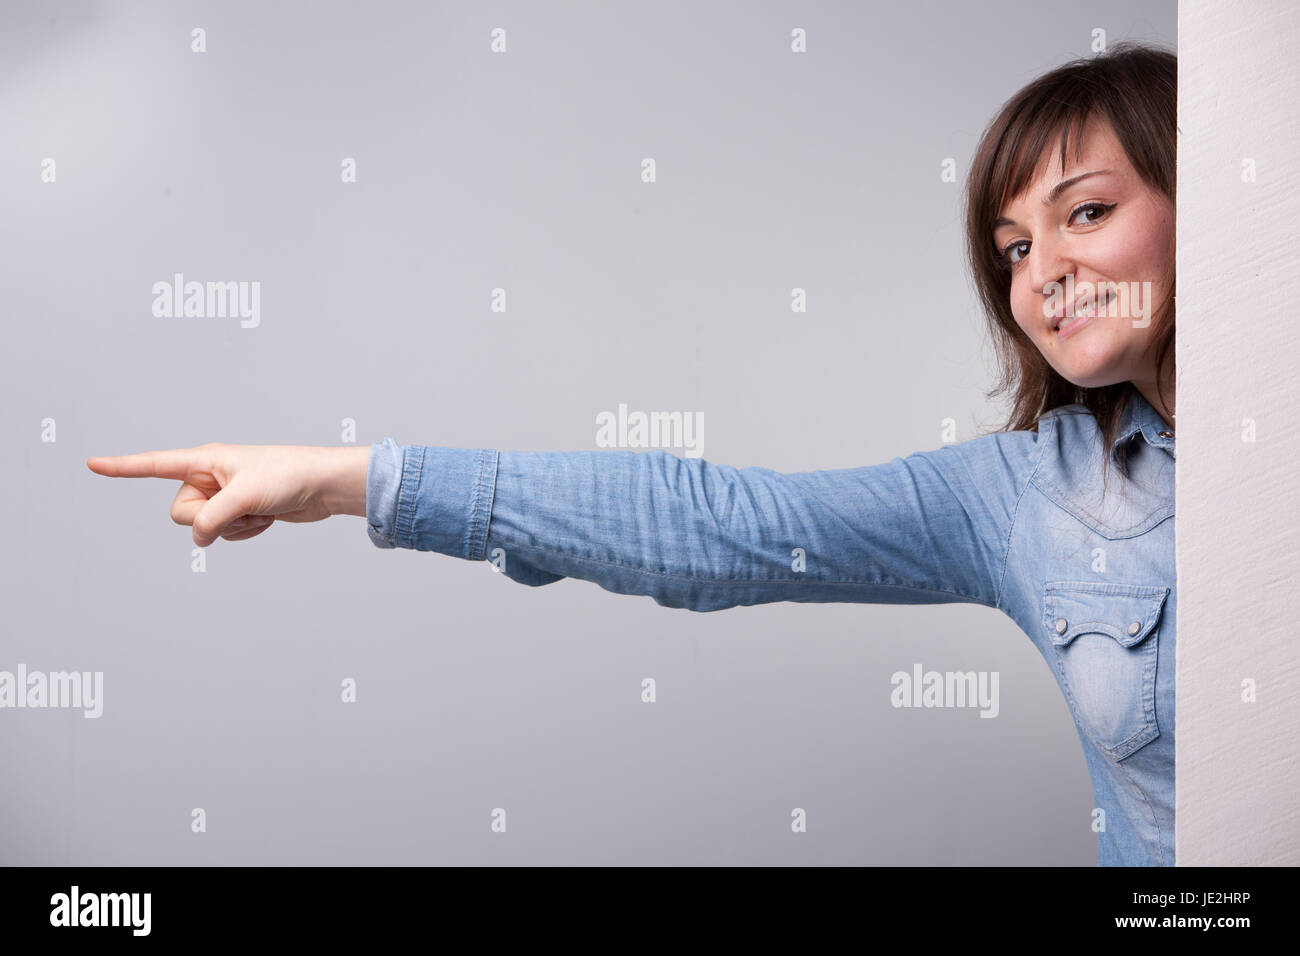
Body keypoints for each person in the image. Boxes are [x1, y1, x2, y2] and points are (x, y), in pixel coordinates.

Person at [86, 42, 1178, 866]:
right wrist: (345, 478)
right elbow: (714, 524)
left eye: (1086, 211)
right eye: (1014, 249)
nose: (1040, 272)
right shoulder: (1025, 495)